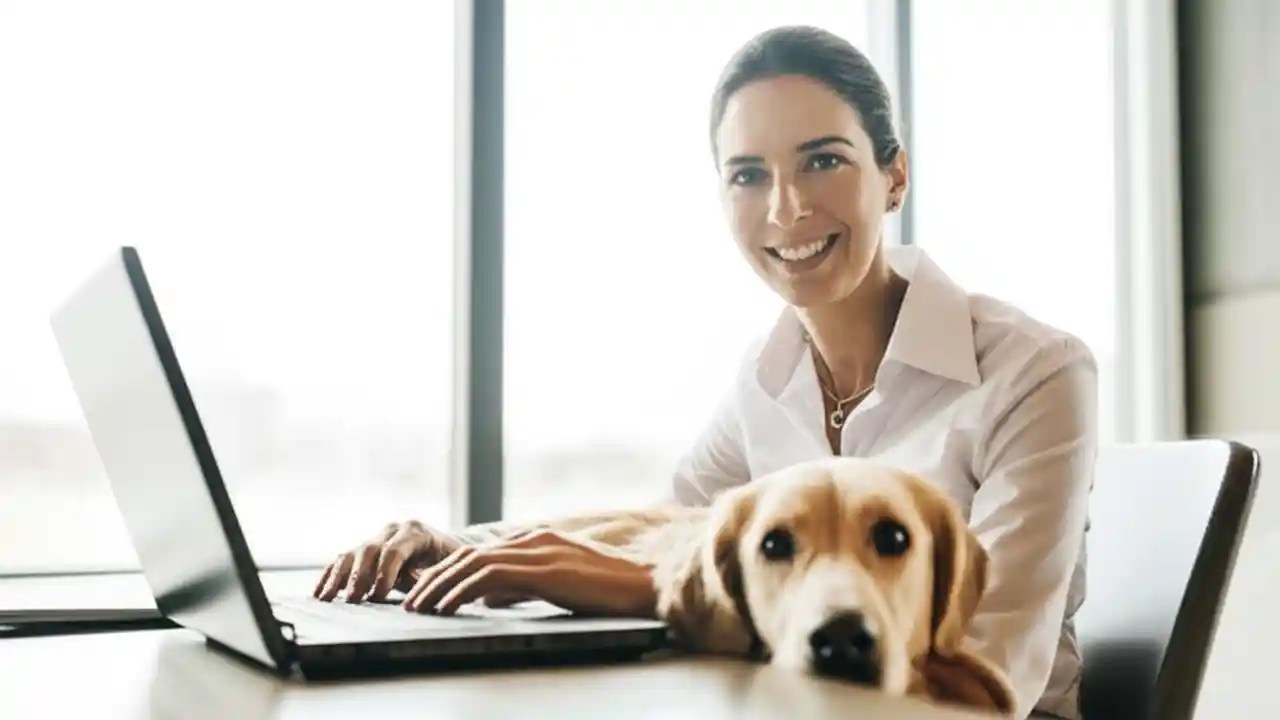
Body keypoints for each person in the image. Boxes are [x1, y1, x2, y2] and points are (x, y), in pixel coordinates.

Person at [312, 25, 1095, 720]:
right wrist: (454, 546)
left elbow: (985, 688)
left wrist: (666, 596)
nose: (786, 209)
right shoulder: (766, 376)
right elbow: (653, 536)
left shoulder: (1034, 373)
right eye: (748, 174)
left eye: (823, 161)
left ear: (894, 176)